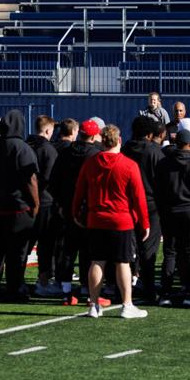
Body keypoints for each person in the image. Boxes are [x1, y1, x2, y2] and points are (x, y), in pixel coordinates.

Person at [72, 124, 149, 319]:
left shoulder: (90, 163)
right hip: (121, 220)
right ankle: (127, 304)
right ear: (119, 141)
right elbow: (139, 197)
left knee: (97, 261)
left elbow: (79, 191)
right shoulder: (129, 165)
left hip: (96, 218)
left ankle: (94, 304)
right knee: (123, 263)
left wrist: (76, 213)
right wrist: (145, 222)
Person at [0, 110, 39, 301]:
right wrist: (35, 203)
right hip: (17, 207)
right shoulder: (22, 148)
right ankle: (15, 288)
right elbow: (30, 178)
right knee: (17, 251)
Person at [155, 127, 190, 308]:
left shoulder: (164, 163)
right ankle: (189, 292)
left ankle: (165, 293)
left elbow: (159, 191)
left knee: (170, 253)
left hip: (170, 211)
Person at [52, 119, 100, 300]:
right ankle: (87, 288)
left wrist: (61, 203)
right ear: (94, 136)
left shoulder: (65, 153)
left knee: (68, 250)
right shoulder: (95, 155)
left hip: (68, 206)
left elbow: (54, 180)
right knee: (88, 250)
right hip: (88, 208)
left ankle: (65, 289)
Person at [122, 114, 165, 301]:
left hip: (127, 204)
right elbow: (162, 180)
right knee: (148, 250)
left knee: (127, 249)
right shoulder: (154, 152)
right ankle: (147, 286)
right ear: (149, 134)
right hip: (150, 205)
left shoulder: (125, 149)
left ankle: (126, 283)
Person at [25, 115, 59, 295]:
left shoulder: (25, 145)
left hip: (24, 200)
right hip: (44, 202)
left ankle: (16, 280)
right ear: (47, 130)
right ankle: (43, 281)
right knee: (46, 244)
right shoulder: (48, 150)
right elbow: (49, 177)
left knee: (24, 244)